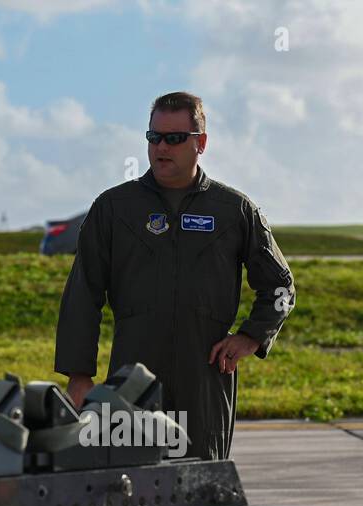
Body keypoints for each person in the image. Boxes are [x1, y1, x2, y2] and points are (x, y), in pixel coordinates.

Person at [54, 91, 294, 461]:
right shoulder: (114, 208)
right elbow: (83, 294)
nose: (161, 147)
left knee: (202, 486)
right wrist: (79, 375)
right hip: (131, 380)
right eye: (154, 138)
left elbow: (280, 286)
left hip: (204, 380)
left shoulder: (234, 211)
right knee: (129, 483)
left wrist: (251, 336)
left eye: (174, 138)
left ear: (201, 143)